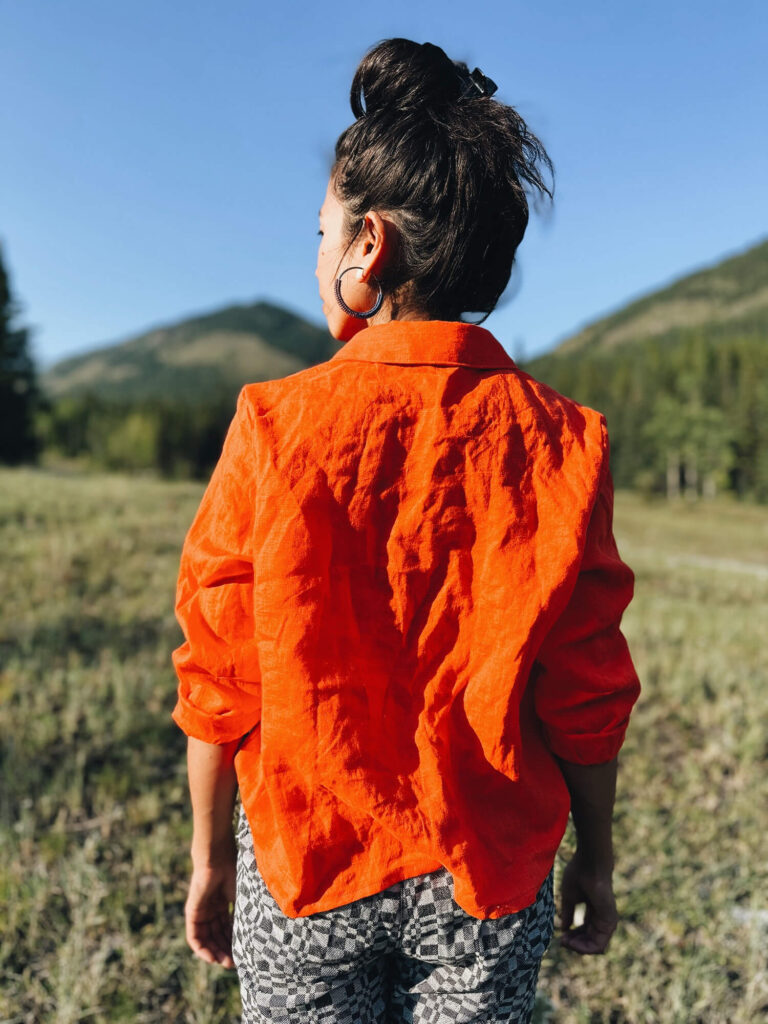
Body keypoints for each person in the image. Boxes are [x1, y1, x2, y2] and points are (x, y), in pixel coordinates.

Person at [171, 37, 641, 1024]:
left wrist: (211, 859)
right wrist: (594, 857)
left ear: (369, 246)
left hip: (307, 864)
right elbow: (587, 693)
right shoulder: (565, 441)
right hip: (489, 878)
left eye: (322, 230)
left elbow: (219, 679)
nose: (317, 252)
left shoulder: (272, 421)